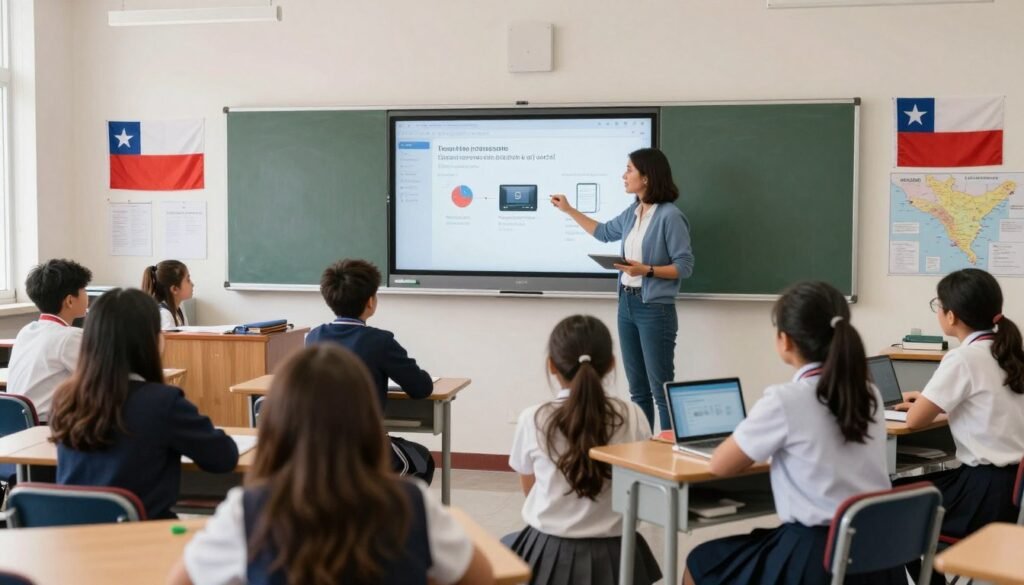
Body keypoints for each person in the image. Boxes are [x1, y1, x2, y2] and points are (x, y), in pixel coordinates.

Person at [168, 344, 494, 585]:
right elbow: (481, 578)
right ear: (367, 419)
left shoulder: (249, 510)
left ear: (275, 424)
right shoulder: (411, 502)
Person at [683, 281, 903, 585]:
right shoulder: (869, 393)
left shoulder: (787, 399)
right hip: (877, 556)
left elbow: (720, 465)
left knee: (702, 562)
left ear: (785, 340)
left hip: (816, 559)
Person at [48, 288, 238, 519]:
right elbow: (223, 458)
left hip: (76, 539)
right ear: (152, 341)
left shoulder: (66, 398)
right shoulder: (162, 402)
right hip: (143, 542)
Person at [507, 315, 660, 585]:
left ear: (552, 366)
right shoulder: (633, 415)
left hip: (548, 550)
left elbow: (530, 487)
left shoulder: (534, 418)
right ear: (612, 364)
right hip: (619, 553)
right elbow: (643, 487)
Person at [551, 148, 694, 431]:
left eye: (629, 169)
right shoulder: (633, 211)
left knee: (661, 390)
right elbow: (604, 232)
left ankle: (666, 456)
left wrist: (647, 270)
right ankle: (641, 452)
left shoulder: (670, 216)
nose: (624, 175)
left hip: (655, 309)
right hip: (627, 306)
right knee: (637, 390)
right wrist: (569, 210)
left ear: (647, 177)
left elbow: (684, 266)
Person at [895, 268, 1024, 582]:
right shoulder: (1007, 351)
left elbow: (915, 419)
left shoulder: (963, 358)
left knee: (886, 504)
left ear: (951, 316)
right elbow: (988, 411)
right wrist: (936, 403)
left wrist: (924, 402)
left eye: (938, 305)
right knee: (899, 500)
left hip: (978, 495)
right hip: (1006, 492)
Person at [305, 258, 435, 482]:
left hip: (318, 448)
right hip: (364, 447)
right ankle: (389, 515)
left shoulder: (313, 337)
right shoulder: (380, 341)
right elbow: (421, 389)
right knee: (422, 461)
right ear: (370, 302)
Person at [8, 259, 92, 421]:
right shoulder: (70, 337)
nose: (87, 294)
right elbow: (103, 380)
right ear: (69, 300)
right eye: (84, 289)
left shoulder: (26, 331)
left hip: (17, 427)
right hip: (48, 428)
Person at [141, 260, 193, 330]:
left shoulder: (179, 307)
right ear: (174, 289)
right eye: (188, 280)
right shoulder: (164, 315)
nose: (192, 284)